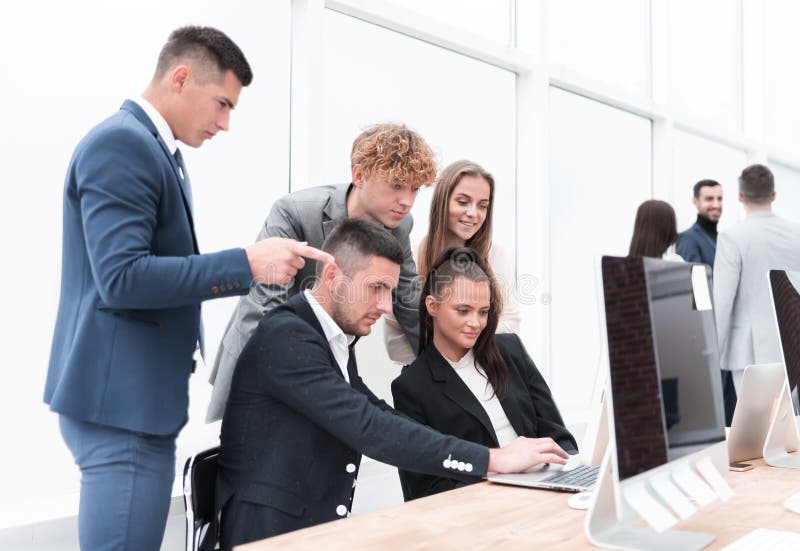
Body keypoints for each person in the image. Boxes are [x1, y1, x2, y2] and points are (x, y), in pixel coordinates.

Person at [45, 27, 332, 550]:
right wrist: (247, 263)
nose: (224, 124)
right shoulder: (123, 144)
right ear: (181, 78)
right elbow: (122, 277)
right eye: (222, 104)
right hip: (120, 408)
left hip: (134, 405)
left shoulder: (154, 149)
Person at [212, 219, 569, 549]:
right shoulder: (288, 337)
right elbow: (368, 427)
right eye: (376, 288)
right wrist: (491, 459)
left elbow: (374, 410)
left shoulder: (330, 339)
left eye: (391, 291)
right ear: (333, 275)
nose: (386, 306)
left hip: (313, 529)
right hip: (268, 537)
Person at [206, 123, 435, 422]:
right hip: (259, 353)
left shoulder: (400, 225)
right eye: (396, 185)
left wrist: (446, 363)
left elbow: (406, 300)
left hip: (328, 359)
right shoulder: (294, 212)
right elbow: (266, 307)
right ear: (359, 175)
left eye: (414, 189)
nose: (407, 201)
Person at [391, 247, 577, 500]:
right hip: (483, 502)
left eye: (483, 312)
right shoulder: (412, 386)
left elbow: (559, 436)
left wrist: (570, 478)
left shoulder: (511, 350)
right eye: (463, 310)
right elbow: (424, 489)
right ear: (432, 306)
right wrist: (497, 472)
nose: (476, 323)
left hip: (547, 489)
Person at [384, 159, 521, 365]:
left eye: (482, 205)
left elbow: (510, 323)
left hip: (484, 374)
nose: (473, 213)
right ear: (442, 201)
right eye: (463, 202)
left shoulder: (496, 255)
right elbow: (395, 344)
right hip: (426, 377)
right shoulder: (410, 255)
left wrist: (453, 346)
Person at [714, 164, 800, 403]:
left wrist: (711, 355)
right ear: (773, 196)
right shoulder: (797, 233)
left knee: (757, 431)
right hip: (794, 344)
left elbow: (722, 302)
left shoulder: (733, 237)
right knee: (791, 429)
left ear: (740, 196)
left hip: (749, 351)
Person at [677, 179, 723, 266]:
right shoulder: (688, 239)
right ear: (695, 201)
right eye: (709, 199)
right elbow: (692, 278)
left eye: (719, 199)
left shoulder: (722, 239)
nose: (716, 205)